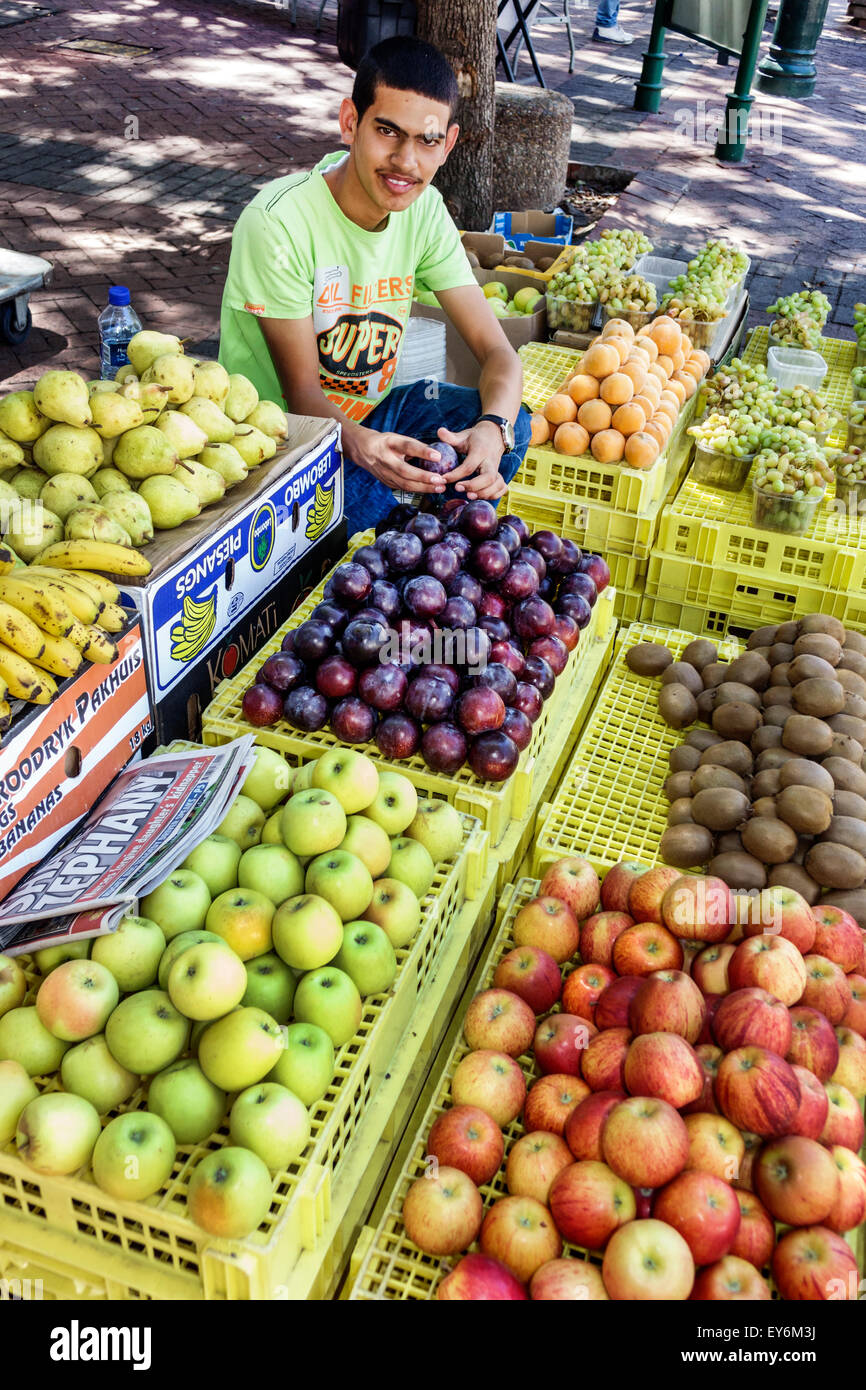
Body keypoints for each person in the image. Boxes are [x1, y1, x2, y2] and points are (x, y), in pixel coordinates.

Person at [219, 35, 531, 537]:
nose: (406, 162)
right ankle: (378, 543)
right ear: (350, 122)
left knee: (506, 418)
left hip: (374, 416)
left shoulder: (425, 211)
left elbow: (499, 353)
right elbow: (300, 397)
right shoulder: (278, 221)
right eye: (388, 131)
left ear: (448, 145)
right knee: (353, 519)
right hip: (278, 441)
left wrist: (495, 433)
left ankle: (428, 549)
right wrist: (365, 448)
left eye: (427, 141)